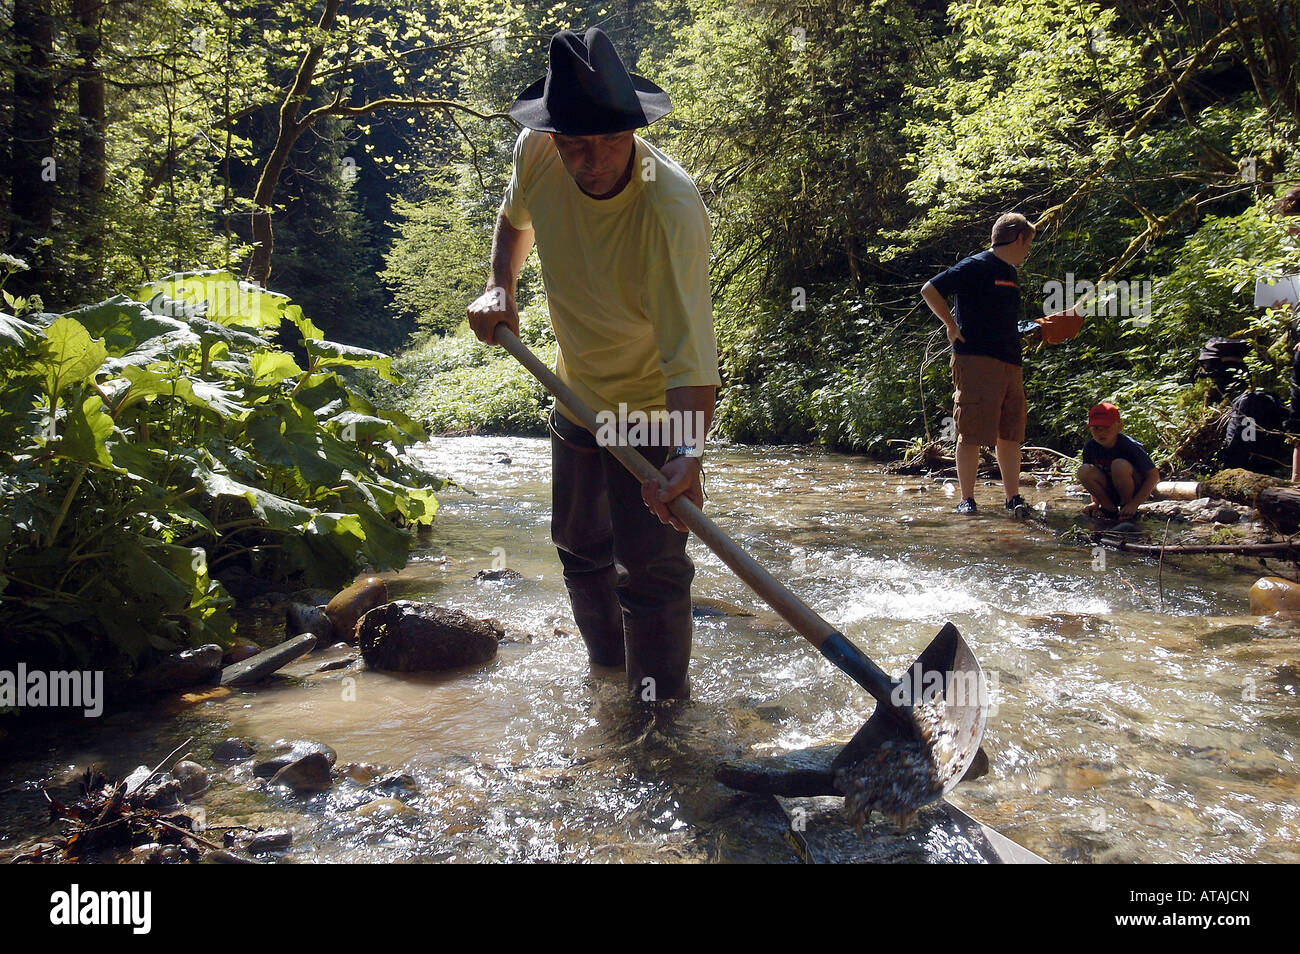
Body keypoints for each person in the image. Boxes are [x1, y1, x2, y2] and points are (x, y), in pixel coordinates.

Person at [466, 28, 720, 701]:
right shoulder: (537, 153)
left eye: (612, 141)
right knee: (579, 547)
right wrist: (501, 285)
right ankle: (610, 680)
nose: (596, 158)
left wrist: (687, 455)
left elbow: (692, 352)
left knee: (652, 570)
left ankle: (661, 716)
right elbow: (513, 221)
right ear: (552, 137)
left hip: (652, 406)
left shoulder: (669, 208)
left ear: (634, 129)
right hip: (575, 391)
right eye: (577, 144)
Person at [920, 213, 1072, 516]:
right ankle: (967, 499)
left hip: (1010, 362)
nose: (1028, 250)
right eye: (1028, 243)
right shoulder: (976, 265)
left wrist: (1034, 329)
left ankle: (1012, 497)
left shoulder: (1010, 273)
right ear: (1018, 239)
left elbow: (999, 319)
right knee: (971, 430)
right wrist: (950, 324)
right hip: (975, 359)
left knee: (1011, 432)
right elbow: (929, 289)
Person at [1076, 402, 1160, 520]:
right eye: (1096, 428)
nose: (1101, 432)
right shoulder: (1090, 447)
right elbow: (1091, 475)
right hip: (1110, 489)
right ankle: (1109, 509)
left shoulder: (1129, 446)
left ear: (1119, 426)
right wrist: (1095, 502)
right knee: (1084, 470)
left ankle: (1127, 507)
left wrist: (1134, 504)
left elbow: (1153, 476)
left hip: (1133, 490)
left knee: (1118, 465)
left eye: (1107, 427)